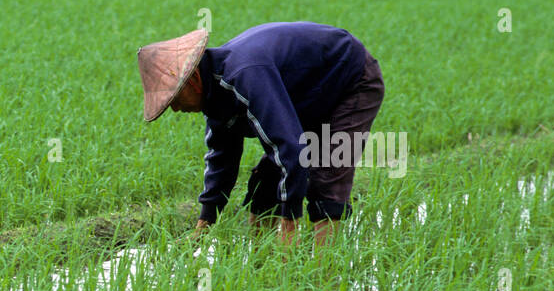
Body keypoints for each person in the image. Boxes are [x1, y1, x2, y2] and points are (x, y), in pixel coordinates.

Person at [137, 22, 385, 245]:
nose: (177, 109)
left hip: (350, 80)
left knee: (327, 177)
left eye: (174, 100)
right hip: (308, 95)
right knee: (265, 182)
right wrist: (205, 222)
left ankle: (324, 277)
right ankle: (261, 264)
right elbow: (222, 159)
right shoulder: (215, 95)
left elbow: (291, 150)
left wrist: (290, 222)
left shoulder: (244, 73)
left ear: (191, 81)